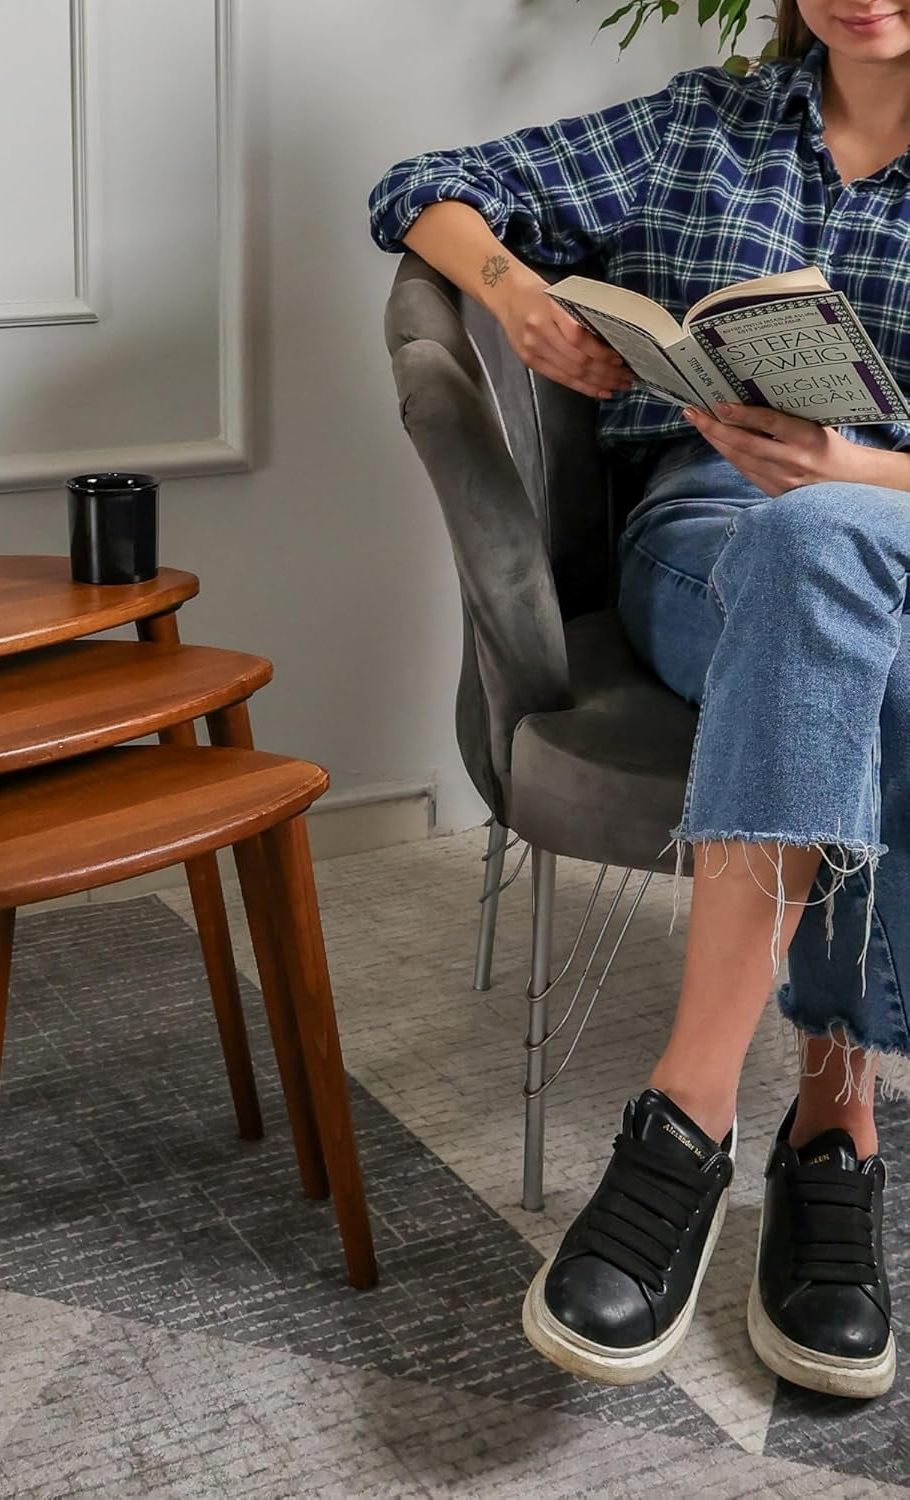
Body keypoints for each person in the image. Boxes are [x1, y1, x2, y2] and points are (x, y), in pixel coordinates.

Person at [370, 0, 910, 1397]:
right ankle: (824, 1138)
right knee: (809, 566)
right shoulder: (701, 128)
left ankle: (701, 1122)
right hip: (711, 543)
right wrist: (519, 300)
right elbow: (420, 190)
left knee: (836, 555)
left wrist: (853, 471)